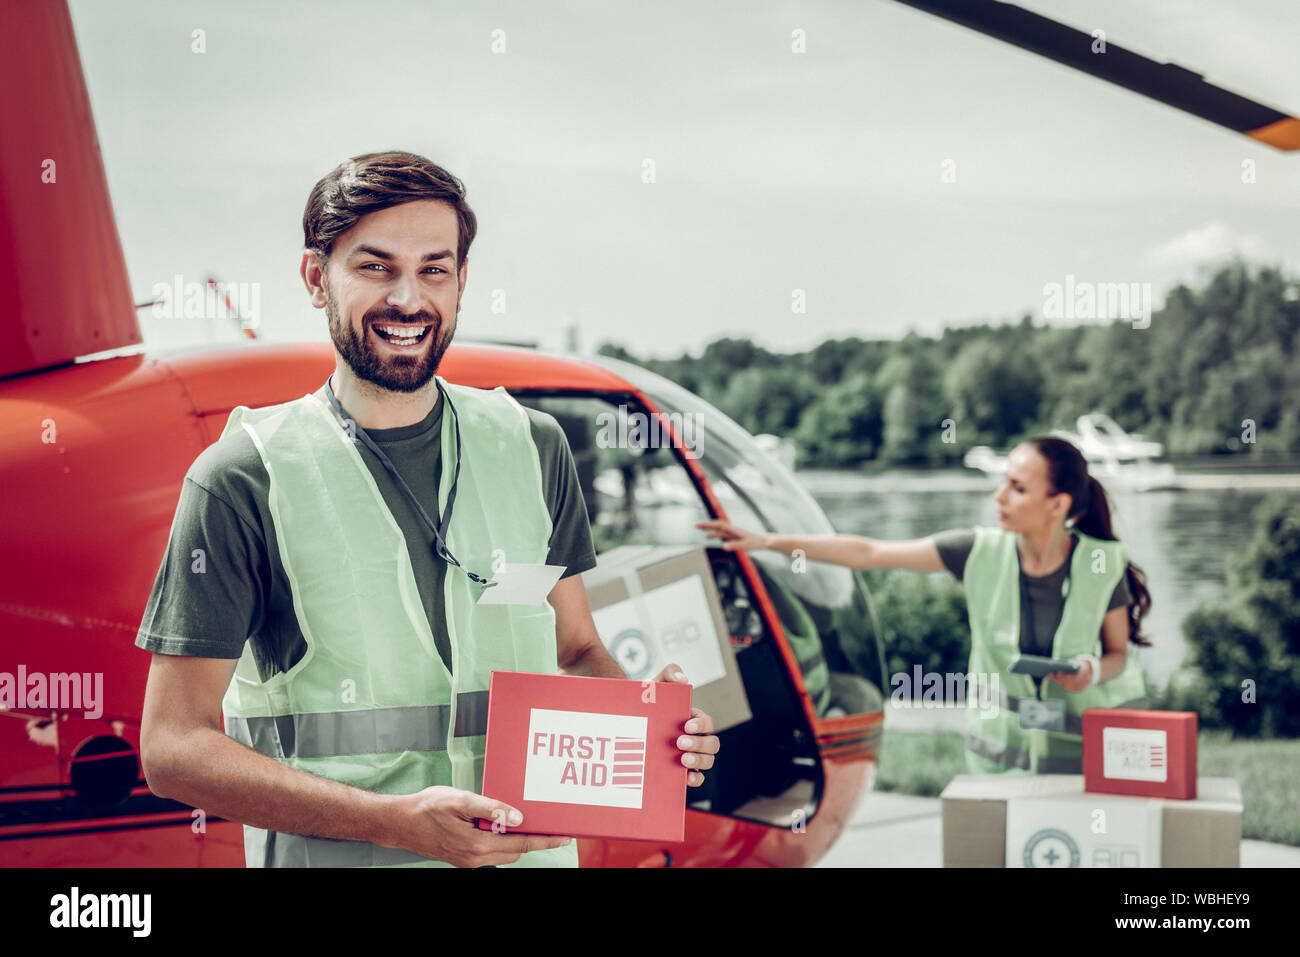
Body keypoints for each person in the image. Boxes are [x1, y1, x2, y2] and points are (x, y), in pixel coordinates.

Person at [135, 151, 719, 867]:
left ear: (462, 281)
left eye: (434, 269)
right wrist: (392, 822)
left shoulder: (533, 448)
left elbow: (573, 650)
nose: (408, 300)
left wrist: (651, 726)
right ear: (317, 279)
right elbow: (172, 747)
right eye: (375, 266)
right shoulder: (241, 478)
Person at [698, 436, 1151, 775]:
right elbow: (870, 553)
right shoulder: (977, 551)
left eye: (1016, 488)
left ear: (1058, 503)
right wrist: (768, 541)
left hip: (1082, 760)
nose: (999, 497)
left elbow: (1117, 655)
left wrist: (1091, 670)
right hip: (996, 760)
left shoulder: (1100, 562)